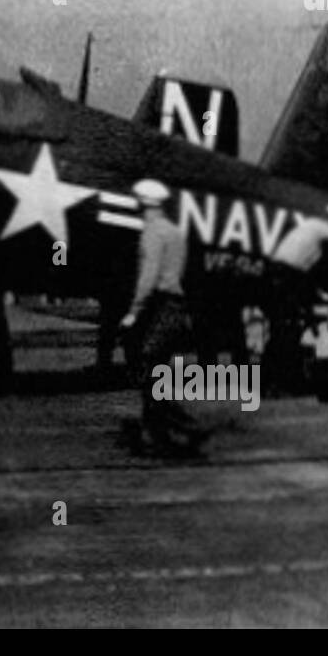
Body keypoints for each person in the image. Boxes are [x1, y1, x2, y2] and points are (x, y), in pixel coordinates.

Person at [120, 179, 199, 456]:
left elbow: (149, 276)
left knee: (150, 365)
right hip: (177, 305)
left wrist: (134, 311)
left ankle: (187, 427)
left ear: (143, 203)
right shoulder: (176, 231)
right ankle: (156, 433)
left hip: (160, 304)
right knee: (154, 368)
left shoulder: (152, 233)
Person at [268, 205, 328, 395]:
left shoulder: (307, 228)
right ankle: (284, 382)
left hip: (277, 273)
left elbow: (310, 272)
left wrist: (315, 294)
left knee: (282, 327)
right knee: (289, 329)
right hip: (289, 276)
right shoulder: (323, 229)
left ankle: (273, 381)